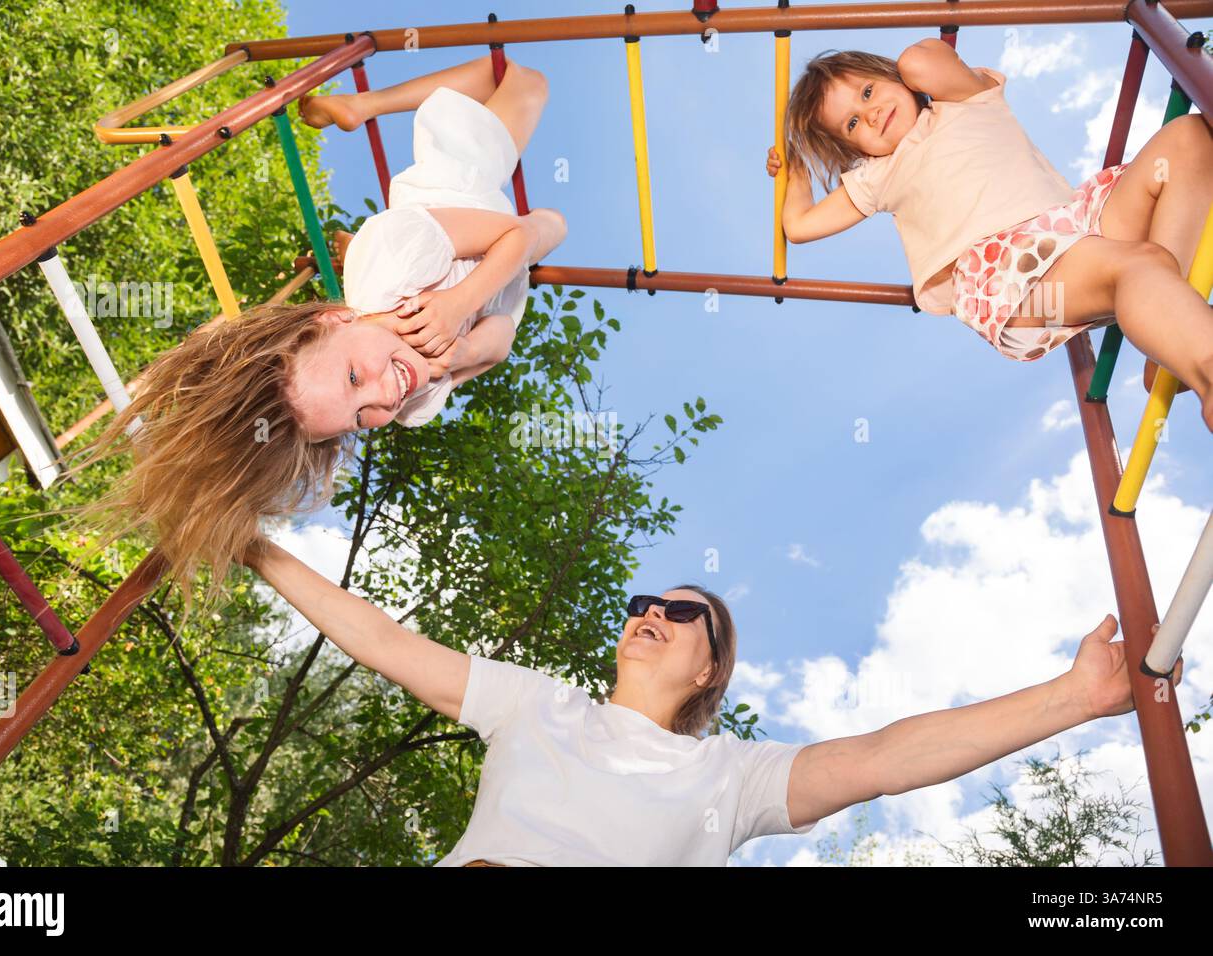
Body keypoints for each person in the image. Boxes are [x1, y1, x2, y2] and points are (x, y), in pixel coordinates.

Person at [243, 534, 1181, 866]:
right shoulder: (535, 706)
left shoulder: (731, 778)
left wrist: (1070, 695)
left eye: (682, 611)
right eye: (644, 604)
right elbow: (383, 640)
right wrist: (257, 548)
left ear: (709, 671)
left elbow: (883, 758)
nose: (652, 611)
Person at [62, 55, 567, 608]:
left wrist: (455, 303)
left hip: (461, 199)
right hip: (495, 278)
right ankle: (358, 112)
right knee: (552, 225)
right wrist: (466, 345)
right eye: (357, 419)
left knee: (526, 84)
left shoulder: (393, 269)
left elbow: (510, 239)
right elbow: (499, 341)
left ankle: (361, 106)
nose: (381, 396)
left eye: (354, 378)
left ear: (335, 318)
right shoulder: (410, 402)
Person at [766, 38, 1212, 432]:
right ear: (854, 150)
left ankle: (1173, 338)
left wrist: (904, 71)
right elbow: (800, 226)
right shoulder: (878, 176)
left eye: (868, 92)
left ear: (897, 76)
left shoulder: (965, 99)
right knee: (1132, 265)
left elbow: (924, 62)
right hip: (1019, 288)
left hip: (1082, 226)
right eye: (852, 124)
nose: (871, 113)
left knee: (1189, 138)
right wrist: (796, 169)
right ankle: (1204, 359)